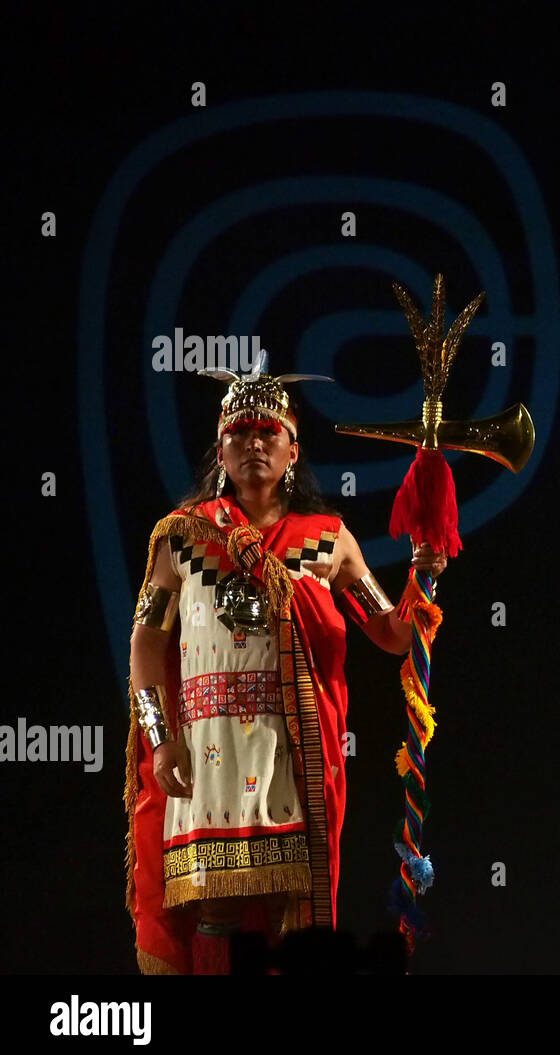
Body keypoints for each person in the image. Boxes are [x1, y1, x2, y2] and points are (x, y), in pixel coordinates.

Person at [125, 355, 445, 974]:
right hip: (204, 749)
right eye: (239, 433)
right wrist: (161, 741)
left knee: (285, 910)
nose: (253, 443)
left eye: (268, 433)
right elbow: (144, 644)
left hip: (290, 749)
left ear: (293, 450)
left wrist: (421, 576)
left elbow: (393, 635)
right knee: (213, 907)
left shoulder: (328, 538)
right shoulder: (182, 536)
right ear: (221, 451)